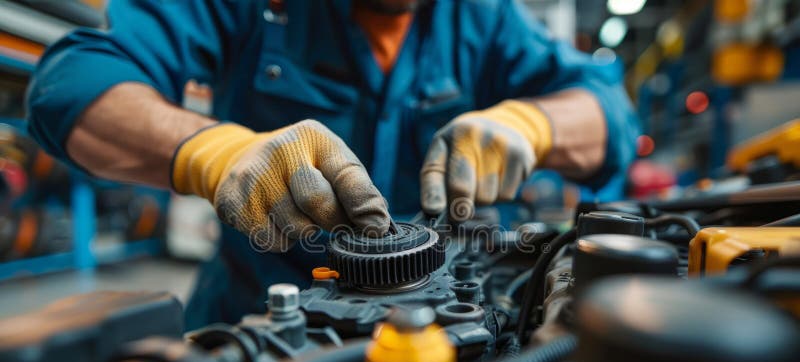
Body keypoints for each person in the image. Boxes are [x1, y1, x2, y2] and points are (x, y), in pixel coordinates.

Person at [26, 0, 639, 328]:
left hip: (455, 318)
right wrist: (212, 151)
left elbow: (611, 114)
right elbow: (70, 84)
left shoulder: (484, 16)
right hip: (263, 319)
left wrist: (533, 125)